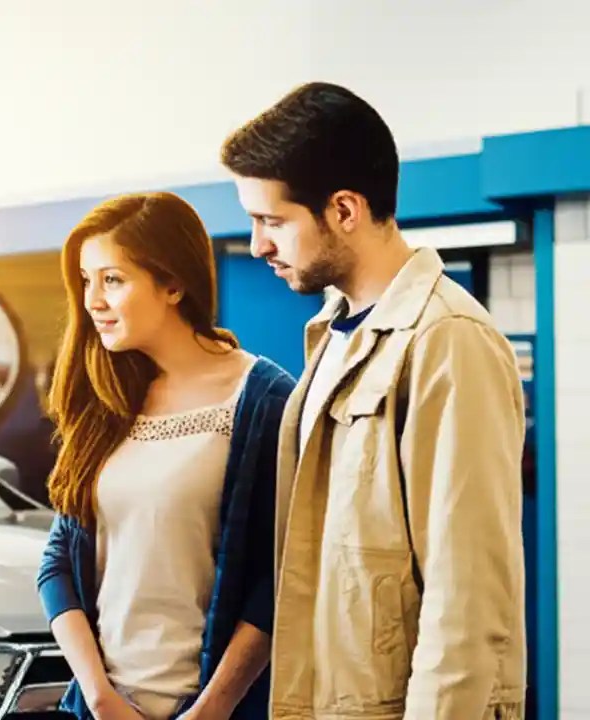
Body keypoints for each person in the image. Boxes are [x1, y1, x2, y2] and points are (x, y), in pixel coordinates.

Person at [220, 82, 527, 718]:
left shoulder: (448, 341)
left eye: (273, 221)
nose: (257, 245)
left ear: (345, 209)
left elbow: (467, 594)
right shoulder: (333, 334)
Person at [36, 192, 296, 720]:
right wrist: (99, 697)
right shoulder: (104, 396)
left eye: (112, 279)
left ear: (174, 284)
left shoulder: (265, 398)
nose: (92, 301)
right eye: (86, 281)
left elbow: (282, 577)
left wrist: (211, 709)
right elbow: (58, 558)